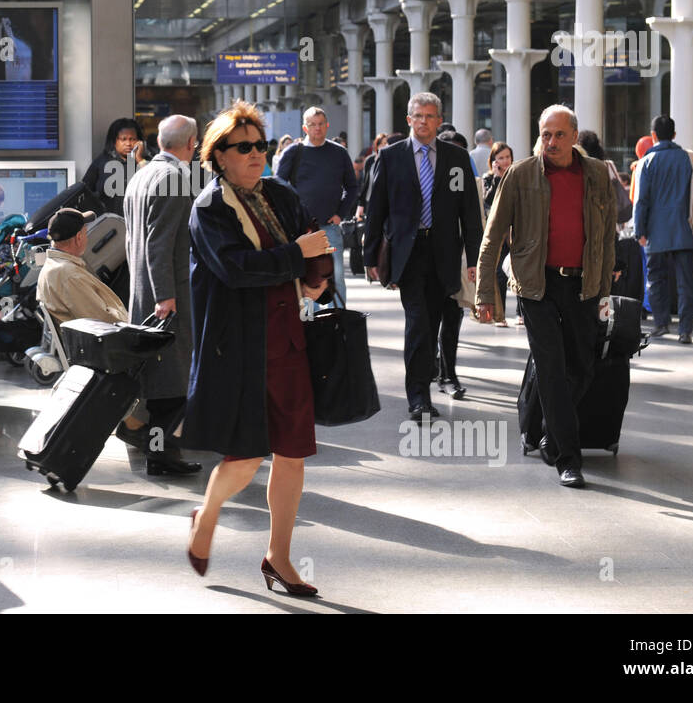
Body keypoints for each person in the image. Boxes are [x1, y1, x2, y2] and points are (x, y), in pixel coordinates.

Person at [183, 101, 332, 596]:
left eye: (260, 146)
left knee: (292, 454)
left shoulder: (281, 195)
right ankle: (207, 515)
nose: (255, 155)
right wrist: (298, 257)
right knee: (245, 459)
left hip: (286, 339)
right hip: (240, 347)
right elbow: (235, 269)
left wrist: (316, 279)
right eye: (242, 147)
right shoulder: (209, 208)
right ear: (218, 155)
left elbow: (317, 246)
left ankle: (279, 557)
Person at [476, 106, 615, 488]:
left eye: (557, 135)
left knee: (582, 368)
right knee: (551, 369)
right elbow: (492, 237)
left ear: (573, 136)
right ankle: (567, 458)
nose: (550, 142)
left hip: (582, 285)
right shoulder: (521, 175)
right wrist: (486, 294)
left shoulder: (597, 174)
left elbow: (606, 235)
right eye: (544, 135)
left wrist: (603, 289)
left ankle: (544, 429)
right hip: (537, 285)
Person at [362, 92, 482, 419]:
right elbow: (376, 210)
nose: (424, 121)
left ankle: (426, 383)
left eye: (430, 116)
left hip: (444, 254)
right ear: (408, 119)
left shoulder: (456, 158)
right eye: (418, 116)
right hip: (408, 254)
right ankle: (418, 398)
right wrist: (369, 257)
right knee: (418, 324)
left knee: (432, 322)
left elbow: (470, 214)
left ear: (439, 120)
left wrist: (474, 260)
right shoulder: (389, 158)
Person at [120, 114, 203, 478]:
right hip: (166, 295)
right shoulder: (174, 179)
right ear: (191, 144)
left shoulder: (140, 175)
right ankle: (162, 455)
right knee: (172, 380)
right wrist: (166, 295)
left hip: (143, 291)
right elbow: (160, 245)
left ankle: (154, 446)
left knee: (158, 380)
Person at [634, 115, 693, 344]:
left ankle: (661, 324)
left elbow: (641, 200)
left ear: (653, 136)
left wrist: (639, 230)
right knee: (687, 282)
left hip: (656, 232)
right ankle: (685, 330)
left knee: (656, 279)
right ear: (674, 134)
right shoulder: (689, 158)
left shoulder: (646, 162)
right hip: (687, 229)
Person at [275, 106, 360, 302]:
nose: (317, 128)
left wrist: (340, 214)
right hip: (300, 230)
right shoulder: (293, 153)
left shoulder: (339, 153)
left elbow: (352, 187)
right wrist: (290, 216)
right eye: (312, 125)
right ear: (305, 128)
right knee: (306, 277)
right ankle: (309, 326)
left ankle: (337, 323)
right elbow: (278, 188)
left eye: (321, 124)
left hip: (329, 227)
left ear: (327, 126)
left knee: (336, 277)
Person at [36, 208, 130, 328]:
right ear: (79, 237)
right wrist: (130, 321)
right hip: (110, 341)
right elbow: (104, 321)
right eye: (85, 233)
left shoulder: (53, 265)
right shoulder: (69, 274)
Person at [436, 130, 478, 399]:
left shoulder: (466, 179)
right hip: (424, 260)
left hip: (455, 259)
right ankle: (428, 375)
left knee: (452, 317)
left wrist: (473, 261)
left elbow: (473, 219)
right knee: (424, 322)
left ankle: (447, 373)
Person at [479, 141, 514, 326]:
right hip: (498, 232)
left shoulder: (517, 174)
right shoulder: (488, 177)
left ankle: (521, 313)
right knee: (500, 272)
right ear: (494, 160)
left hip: (515, 230)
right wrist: (498, 177)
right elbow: (489, 199)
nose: (505, 161)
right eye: (501, 158)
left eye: (508, 157)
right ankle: (500, 315)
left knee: (519, 270)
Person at [82, 117, 146, 216]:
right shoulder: (102, 162)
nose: (128, 144)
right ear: (114, 141)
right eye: (123, 139)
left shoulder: (144, 162)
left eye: (132, 139)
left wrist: (139, 159)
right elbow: (85, 191)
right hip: (109, 223)